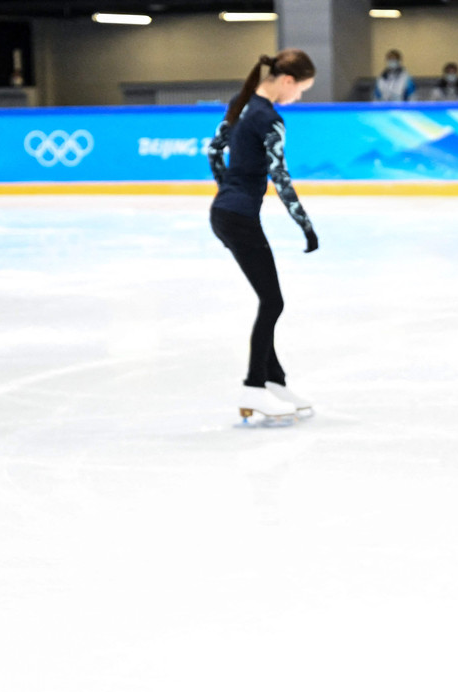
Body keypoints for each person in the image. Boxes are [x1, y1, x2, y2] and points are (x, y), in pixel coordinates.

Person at [207, 50, 319, 422]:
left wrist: (229, 189)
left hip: (225, 213)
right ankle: (253, 387)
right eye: (301, 90)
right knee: (272, 303)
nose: (298, 97)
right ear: (287, 81)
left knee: (269, 299)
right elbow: (281, 177)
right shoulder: (270, 119)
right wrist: (305, 224)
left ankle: (275, 381)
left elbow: (213, 150)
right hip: (238, 217)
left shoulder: (240, 106)